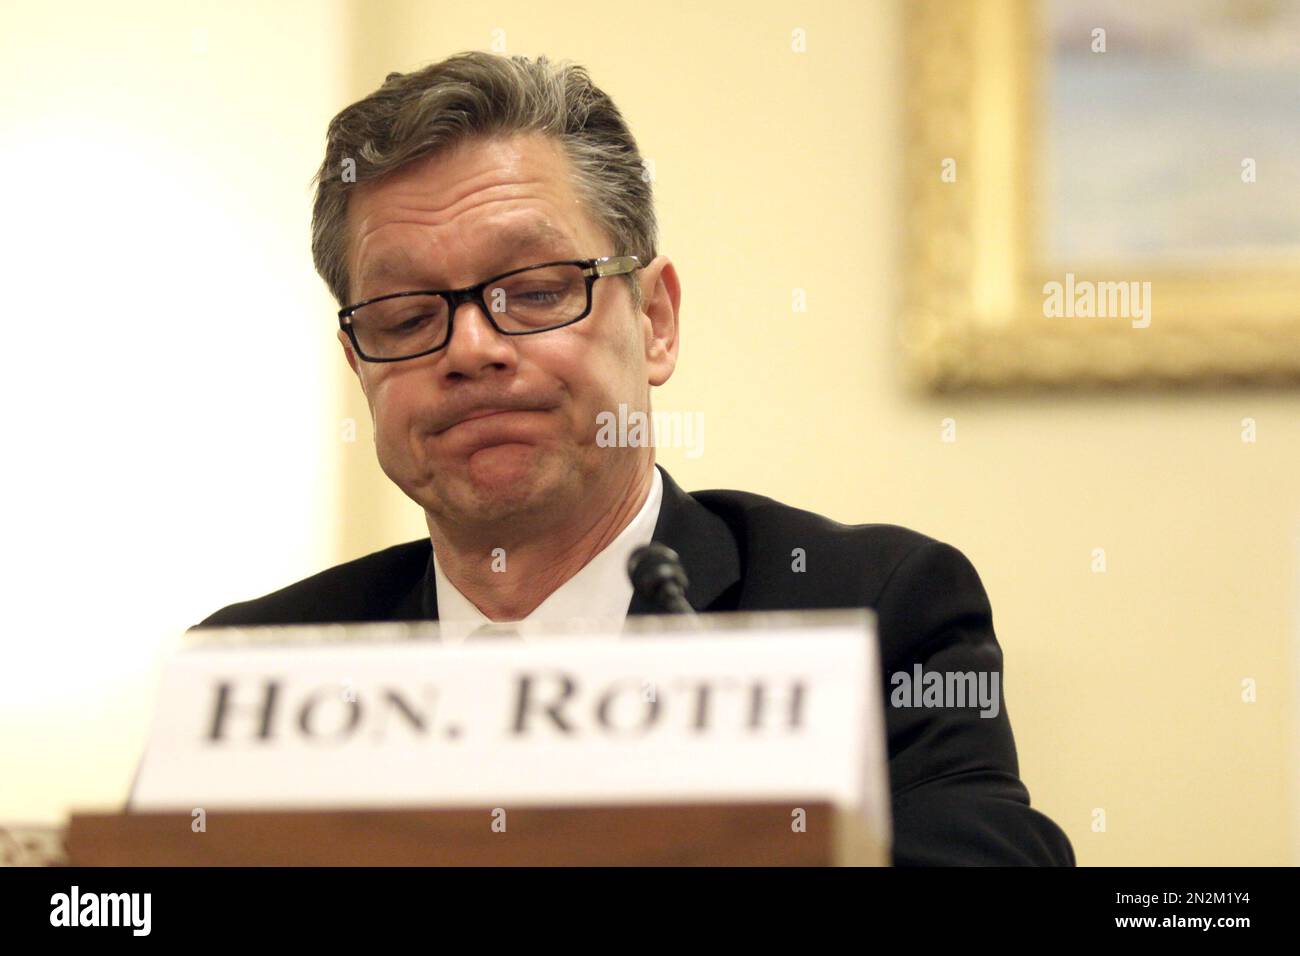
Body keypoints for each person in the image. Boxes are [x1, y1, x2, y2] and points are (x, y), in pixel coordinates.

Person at [200, 51, 1074, 866]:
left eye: (535, 292)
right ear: (359, 366)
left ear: (655, 320)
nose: (470, 348)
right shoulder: (254, 671)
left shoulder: (868, 610)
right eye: (405, 317)